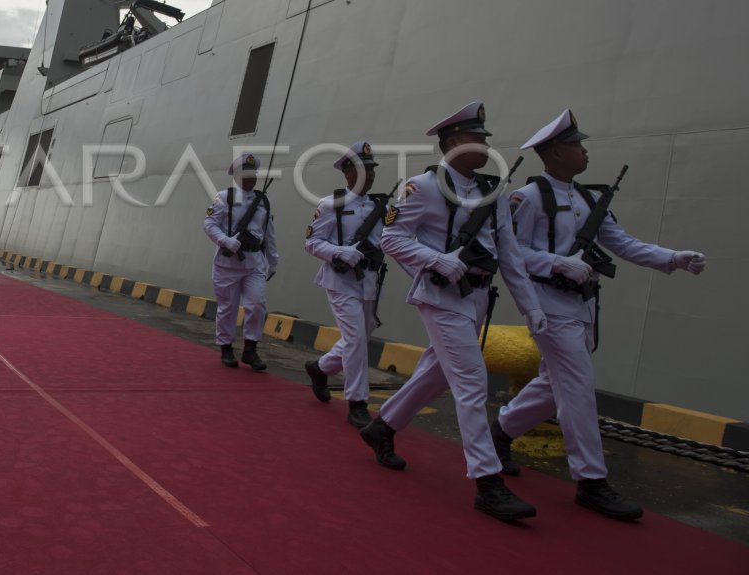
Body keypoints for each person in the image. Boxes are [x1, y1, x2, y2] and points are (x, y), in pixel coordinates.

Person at [491, 109, 707, 520]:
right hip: (548, 305)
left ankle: (500, 432)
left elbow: (623, 243)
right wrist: (556, 263)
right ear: (556, 152)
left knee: (555, 384)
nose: (584, 151)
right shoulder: (529, 198)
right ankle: (591, 481)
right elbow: (511, 250)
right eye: (577, 145)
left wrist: (672, 258)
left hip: (581, 304)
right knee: (577, 389)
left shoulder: (589, 198)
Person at [362, 101, 547, 522]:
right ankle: (488, 482)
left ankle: (383, 427)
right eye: (475, 137)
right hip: (441, 295)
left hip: (477, 296)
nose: (485, 144)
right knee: (470, 381)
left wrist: (530, 306)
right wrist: (437, 259)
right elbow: (391, 238)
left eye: (485, 138)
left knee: (438, 373)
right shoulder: (421, 187)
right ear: (451, 143)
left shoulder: (492, 192)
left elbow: (511, 255)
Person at [302, 141, 386, 428]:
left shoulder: (379, 207)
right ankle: (357, 402)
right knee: (355, 340)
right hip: (340, 281)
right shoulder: (330, 205)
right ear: (347, 172)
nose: (370, 174)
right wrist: (339, 252)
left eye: (372, 169)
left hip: (369, 280)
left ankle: (320, 368)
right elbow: (311, 242)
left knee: (361, 335)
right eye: (363, 169)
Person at [203, 153, 279, 370]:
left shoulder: (263, 201)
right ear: (236, 176)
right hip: (227, 264)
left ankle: (250, 349)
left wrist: (273, 259)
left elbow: (269, 233)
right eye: (245, 174)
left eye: (253, 174)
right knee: (228, 307)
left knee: (256, 305)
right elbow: (209, 224)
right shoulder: (224, 197)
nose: (250, 178)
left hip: (254, 263)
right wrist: (225, 241)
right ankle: (226, 347)